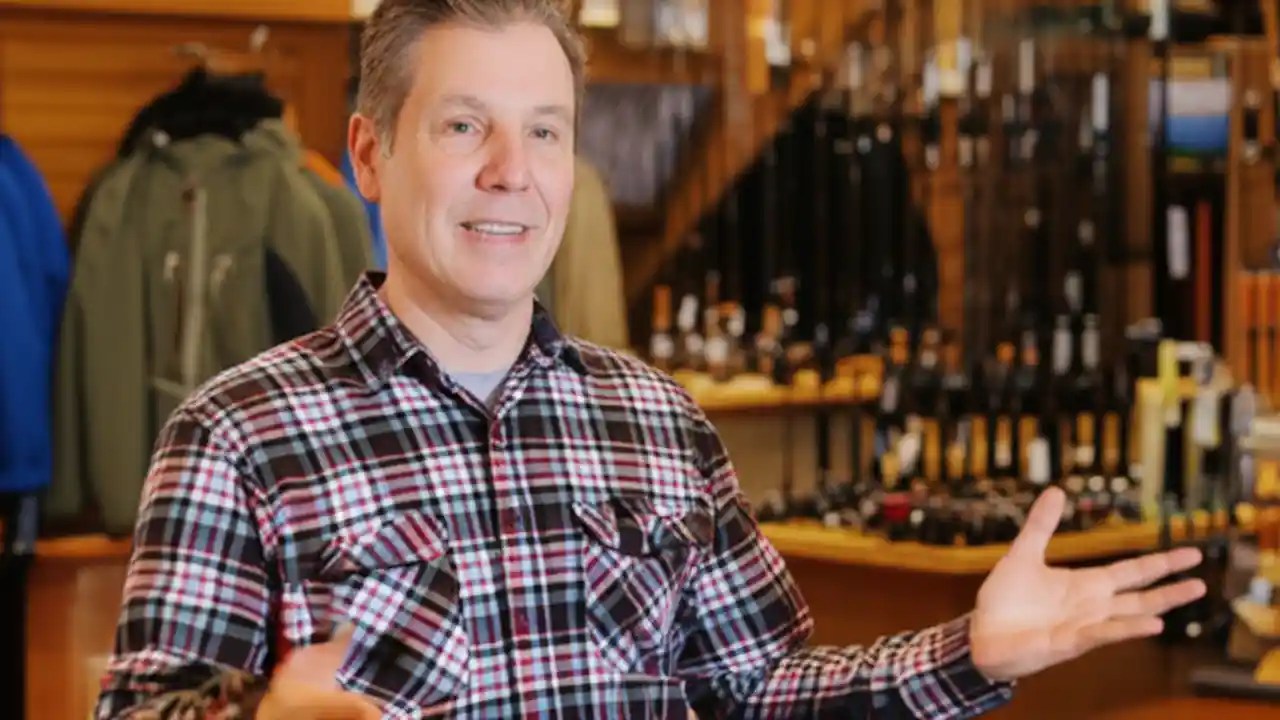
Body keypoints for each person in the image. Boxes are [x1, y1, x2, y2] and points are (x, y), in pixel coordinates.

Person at [94, 1, 1208, 718]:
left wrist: (972, 652)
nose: (509, 172)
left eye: (544, 131)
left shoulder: (655, 420)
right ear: (370, 154)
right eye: (461, 126)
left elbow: (759, 690)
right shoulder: (238, 434)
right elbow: (147, 709)